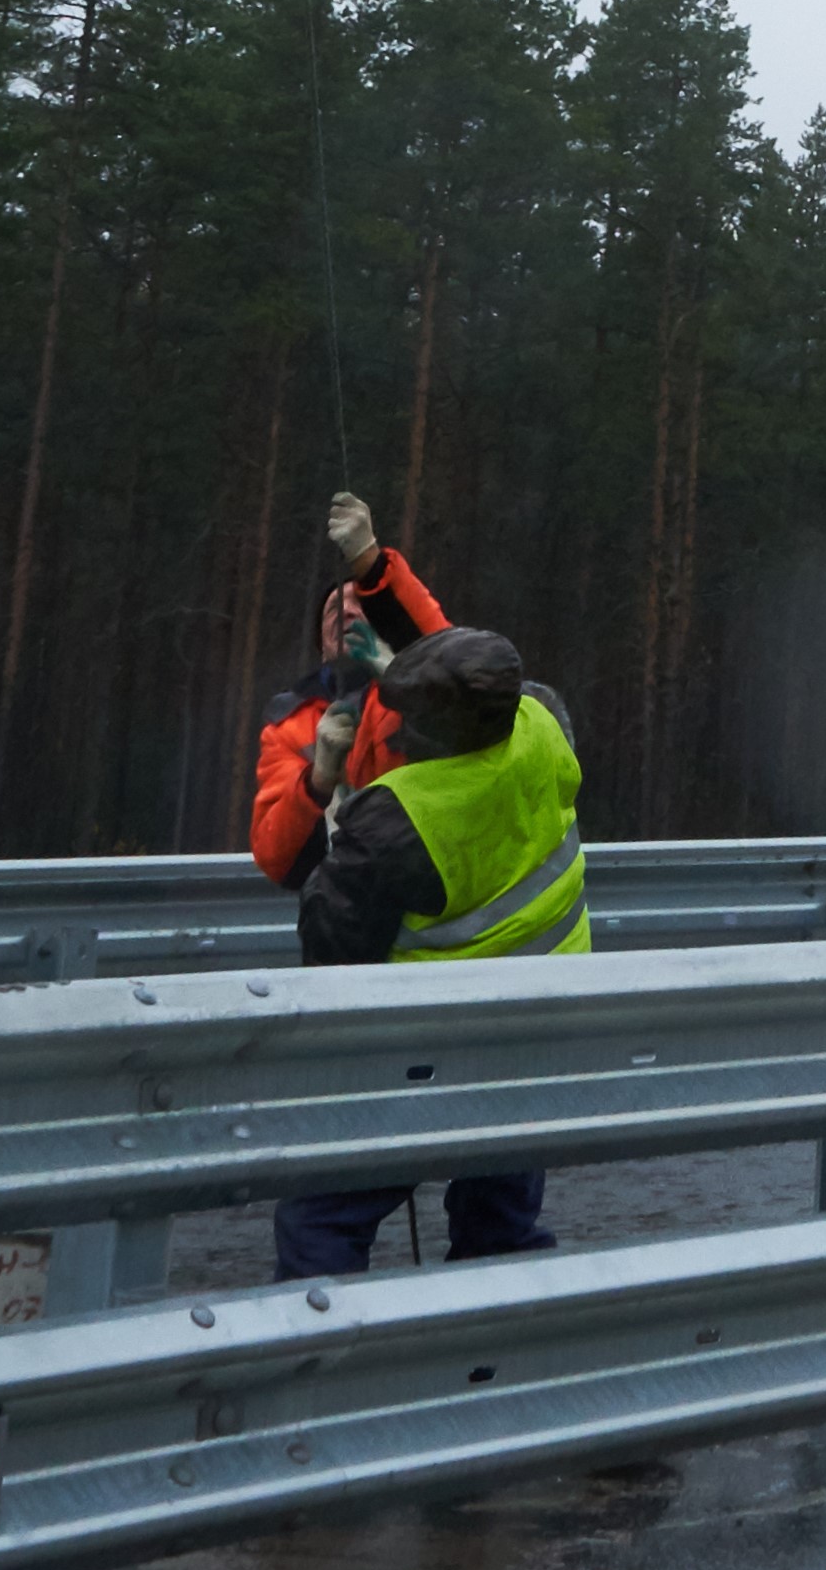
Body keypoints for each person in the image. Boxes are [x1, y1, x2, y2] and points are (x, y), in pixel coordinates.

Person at [274, 623, 589, 1282]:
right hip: (534, 1036)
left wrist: (331, 792)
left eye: (412, 719)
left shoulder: (397, 820)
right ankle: (492, 1360)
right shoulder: (542, 730)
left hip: (427, 1055)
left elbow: (329, 948)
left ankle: (313, 1359)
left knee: (323, 1214)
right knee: (499, 1224)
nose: (398, 732)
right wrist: (405, 667)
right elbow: (519, 695)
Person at [250, 492, 449, 888]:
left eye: (362, 606)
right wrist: (316, 781)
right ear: (320, 644)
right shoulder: (287, 726)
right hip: (345, 915)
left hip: (432, 886)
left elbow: (451, 653)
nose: (348, 612)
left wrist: (369, 562)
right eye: (333, 609)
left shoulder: (424, 685)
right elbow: (275, 856)